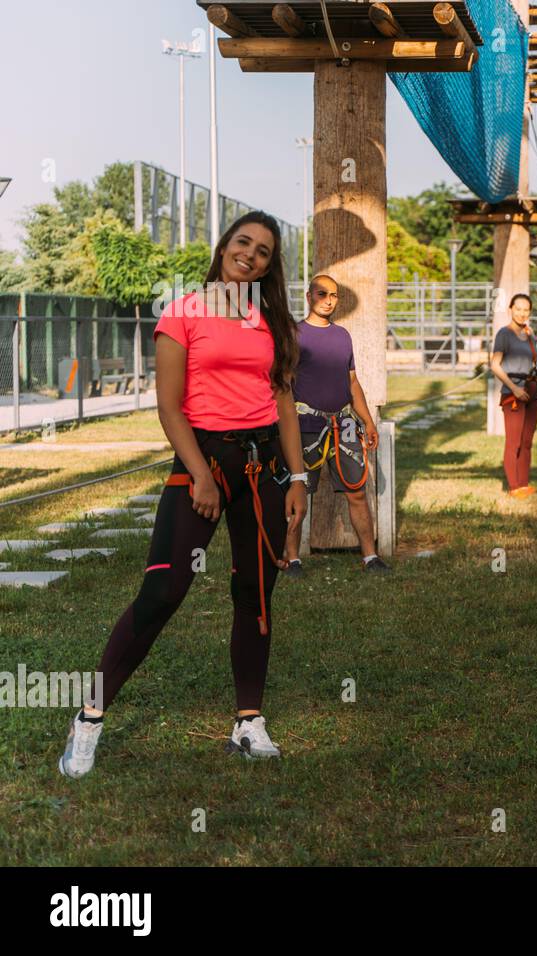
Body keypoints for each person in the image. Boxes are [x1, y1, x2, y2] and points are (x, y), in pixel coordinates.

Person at [59, 212, 308, 779]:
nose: (251, 254)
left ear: (269, 267)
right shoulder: (184, 312)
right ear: (223, 248)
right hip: (203, 461)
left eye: (264, 251)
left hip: (263, 466)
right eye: (243, 242)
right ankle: (89, 718)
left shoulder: (272, 320)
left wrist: (297, 480)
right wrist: (200, 474)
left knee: (256, 595)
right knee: (163, 590)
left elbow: (284, 404)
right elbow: (169, 406)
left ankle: (248, 722)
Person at [283, 274, 389, 576]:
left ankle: (370, 557)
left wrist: (368, 422)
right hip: (305, 427)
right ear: (308, 297)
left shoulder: (343, 336)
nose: (328, 300)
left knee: (357, 492)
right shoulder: (294, 335)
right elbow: (283, 386)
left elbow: (352, 382)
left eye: (334, 295)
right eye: (322, 294)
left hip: (344, 426)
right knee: (299, 493)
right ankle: (292, 560)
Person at [490, 293, 537, 498]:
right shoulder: (504, 334)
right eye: (518, 309)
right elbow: (495, 365)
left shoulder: (530, 334)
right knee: (513, 442)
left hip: (532, 391)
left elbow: (534, 364)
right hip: (513, 393)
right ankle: (514, 487)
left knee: (527, 442)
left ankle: (523, 484)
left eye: (526, 310)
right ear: (510, 310)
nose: (522, 313)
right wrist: (514, 388)